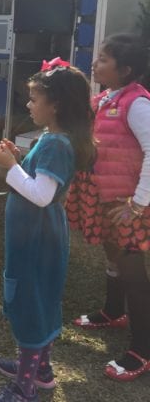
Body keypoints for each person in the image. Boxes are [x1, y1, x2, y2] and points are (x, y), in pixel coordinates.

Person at [0, 59, 95, 402]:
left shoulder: (55, 144)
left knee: (30, 304)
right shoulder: (55, 139)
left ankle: (24, 393)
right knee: (43, 298)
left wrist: (10, 167)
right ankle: (39, 369)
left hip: (34, 240)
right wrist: (20, 159)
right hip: (44, 236)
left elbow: (41, 195)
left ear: (56, 104)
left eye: (35, 99)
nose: (29, 105)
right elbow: (43, 181)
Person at [69, 34, 150, 382]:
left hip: (127, 206)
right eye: (97, 56)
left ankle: (142, 350)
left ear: (126, 69)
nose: (95, 63)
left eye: (104, 59)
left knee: (134, 275)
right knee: (113, 258)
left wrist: (138, 204)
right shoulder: (102, 99)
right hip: (104, 200)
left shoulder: (138, 104)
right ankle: (113, 312)